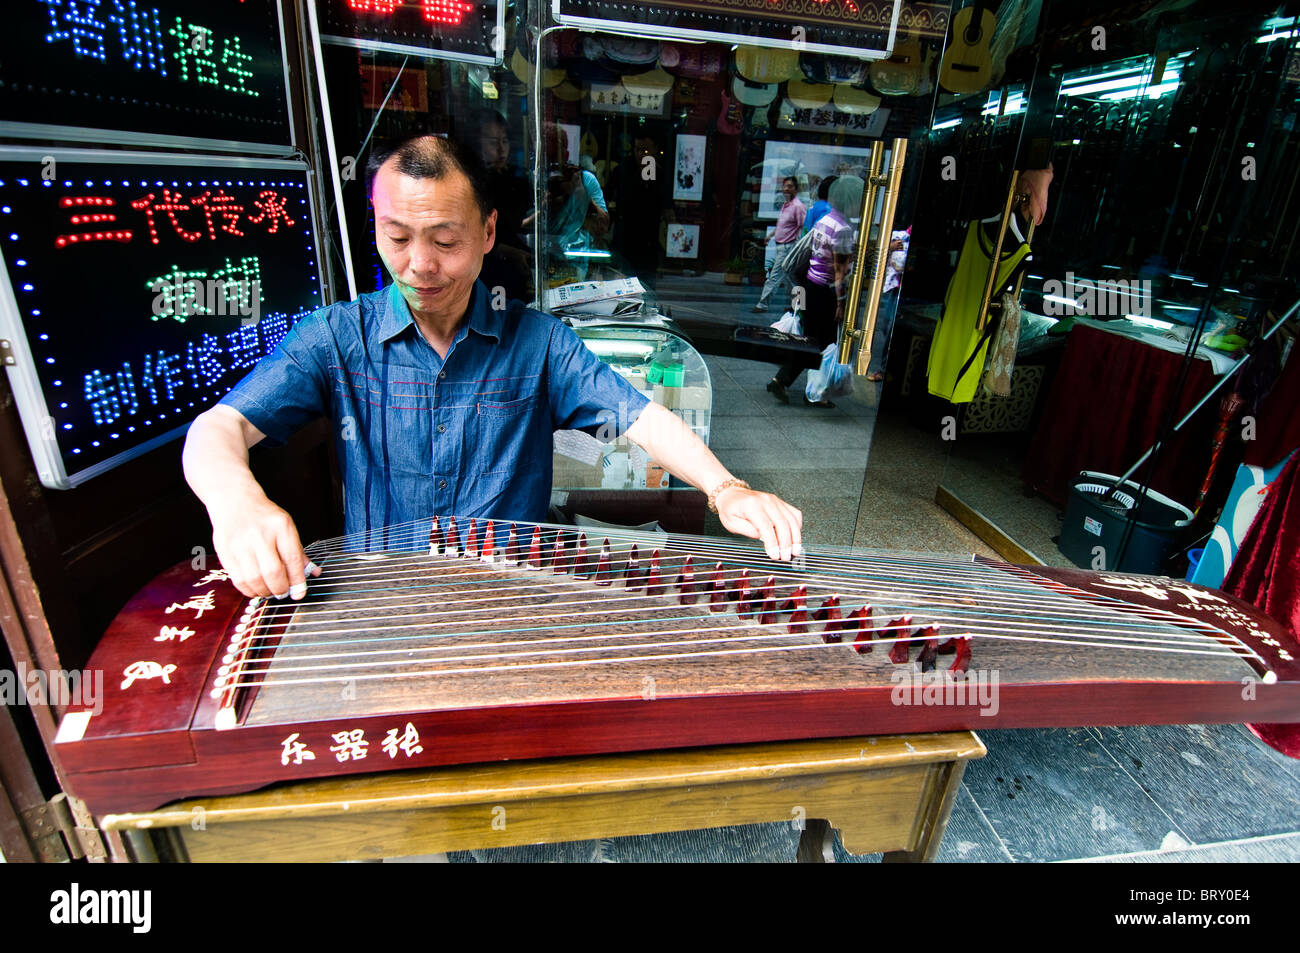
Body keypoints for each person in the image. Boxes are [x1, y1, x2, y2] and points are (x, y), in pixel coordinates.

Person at [183, 134, 803, 600]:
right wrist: (236, 500)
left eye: (445, 241)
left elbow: (640, 419)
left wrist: (727, 490)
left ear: (487, 232)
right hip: (382, 600)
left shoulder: (538, 343)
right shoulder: (337, 338)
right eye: (397, 237)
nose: (419, 265)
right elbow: (218, 430)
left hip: (507, 600)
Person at [766, 176, 863, 407]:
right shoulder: (843, 228)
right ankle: (814, 393)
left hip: (809, 285)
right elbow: (839, 272)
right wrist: (841, 303)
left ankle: (784, 380)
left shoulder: (826, 220)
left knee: (810, 339)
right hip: (824, 293)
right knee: (822, 343)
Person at [752, 175, 806, 313]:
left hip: (788, 247)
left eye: (790, 186)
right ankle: (799, 305)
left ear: (796, 189)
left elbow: (802, 227)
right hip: (781, 245)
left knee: (775, 276)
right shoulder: (786, 205)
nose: (786, 189)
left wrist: (797, 248)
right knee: (791, 278)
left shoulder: (797, 206)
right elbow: (782, 226)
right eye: (785, 186)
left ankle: (762, 304)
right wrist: (770, 236)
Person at [867, 228, 910, 382]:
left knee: (890, 327)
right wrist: (890, 249)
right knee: (886, 325)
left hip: (902, 291)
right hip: (895, 288)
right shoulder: (902, 236)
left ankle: (885, 369)